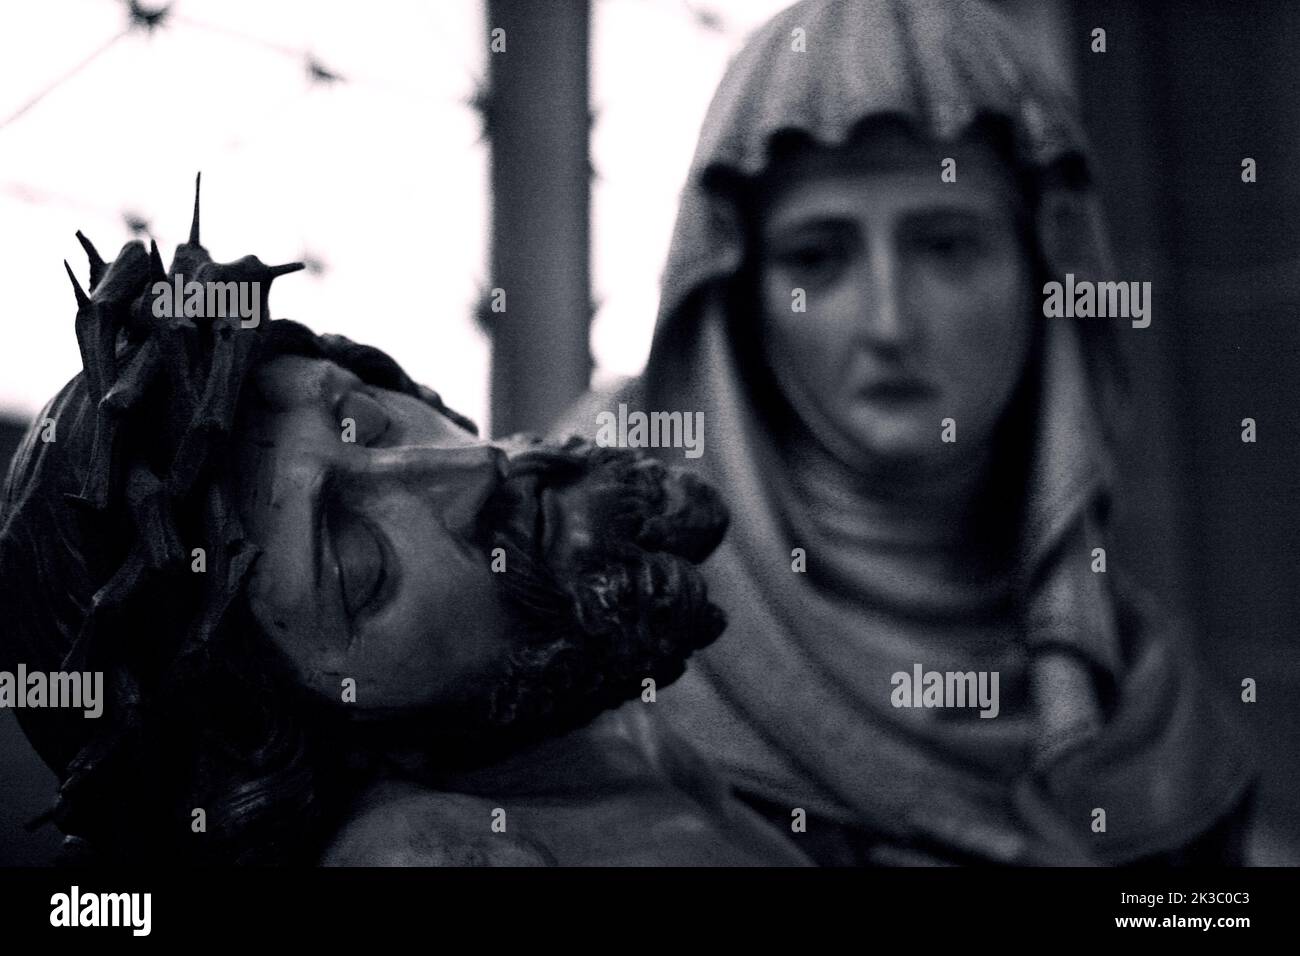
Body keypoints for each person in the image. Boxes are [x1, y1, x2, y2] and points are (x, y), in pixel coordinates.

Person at [559, 0, 1256, 865]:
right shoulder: (596, 622)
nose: (888, 322)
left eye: (947, 245)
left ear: (1047, 279)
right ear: (739, 305)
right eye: (817, 258)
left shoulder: (1155, 734)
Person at [0, 180, 809, 866]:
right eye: (361, 567)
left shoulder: (588, 743)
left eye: (369, 420)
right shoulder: (429, 850)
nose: (468, 472)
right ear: (321, 737)